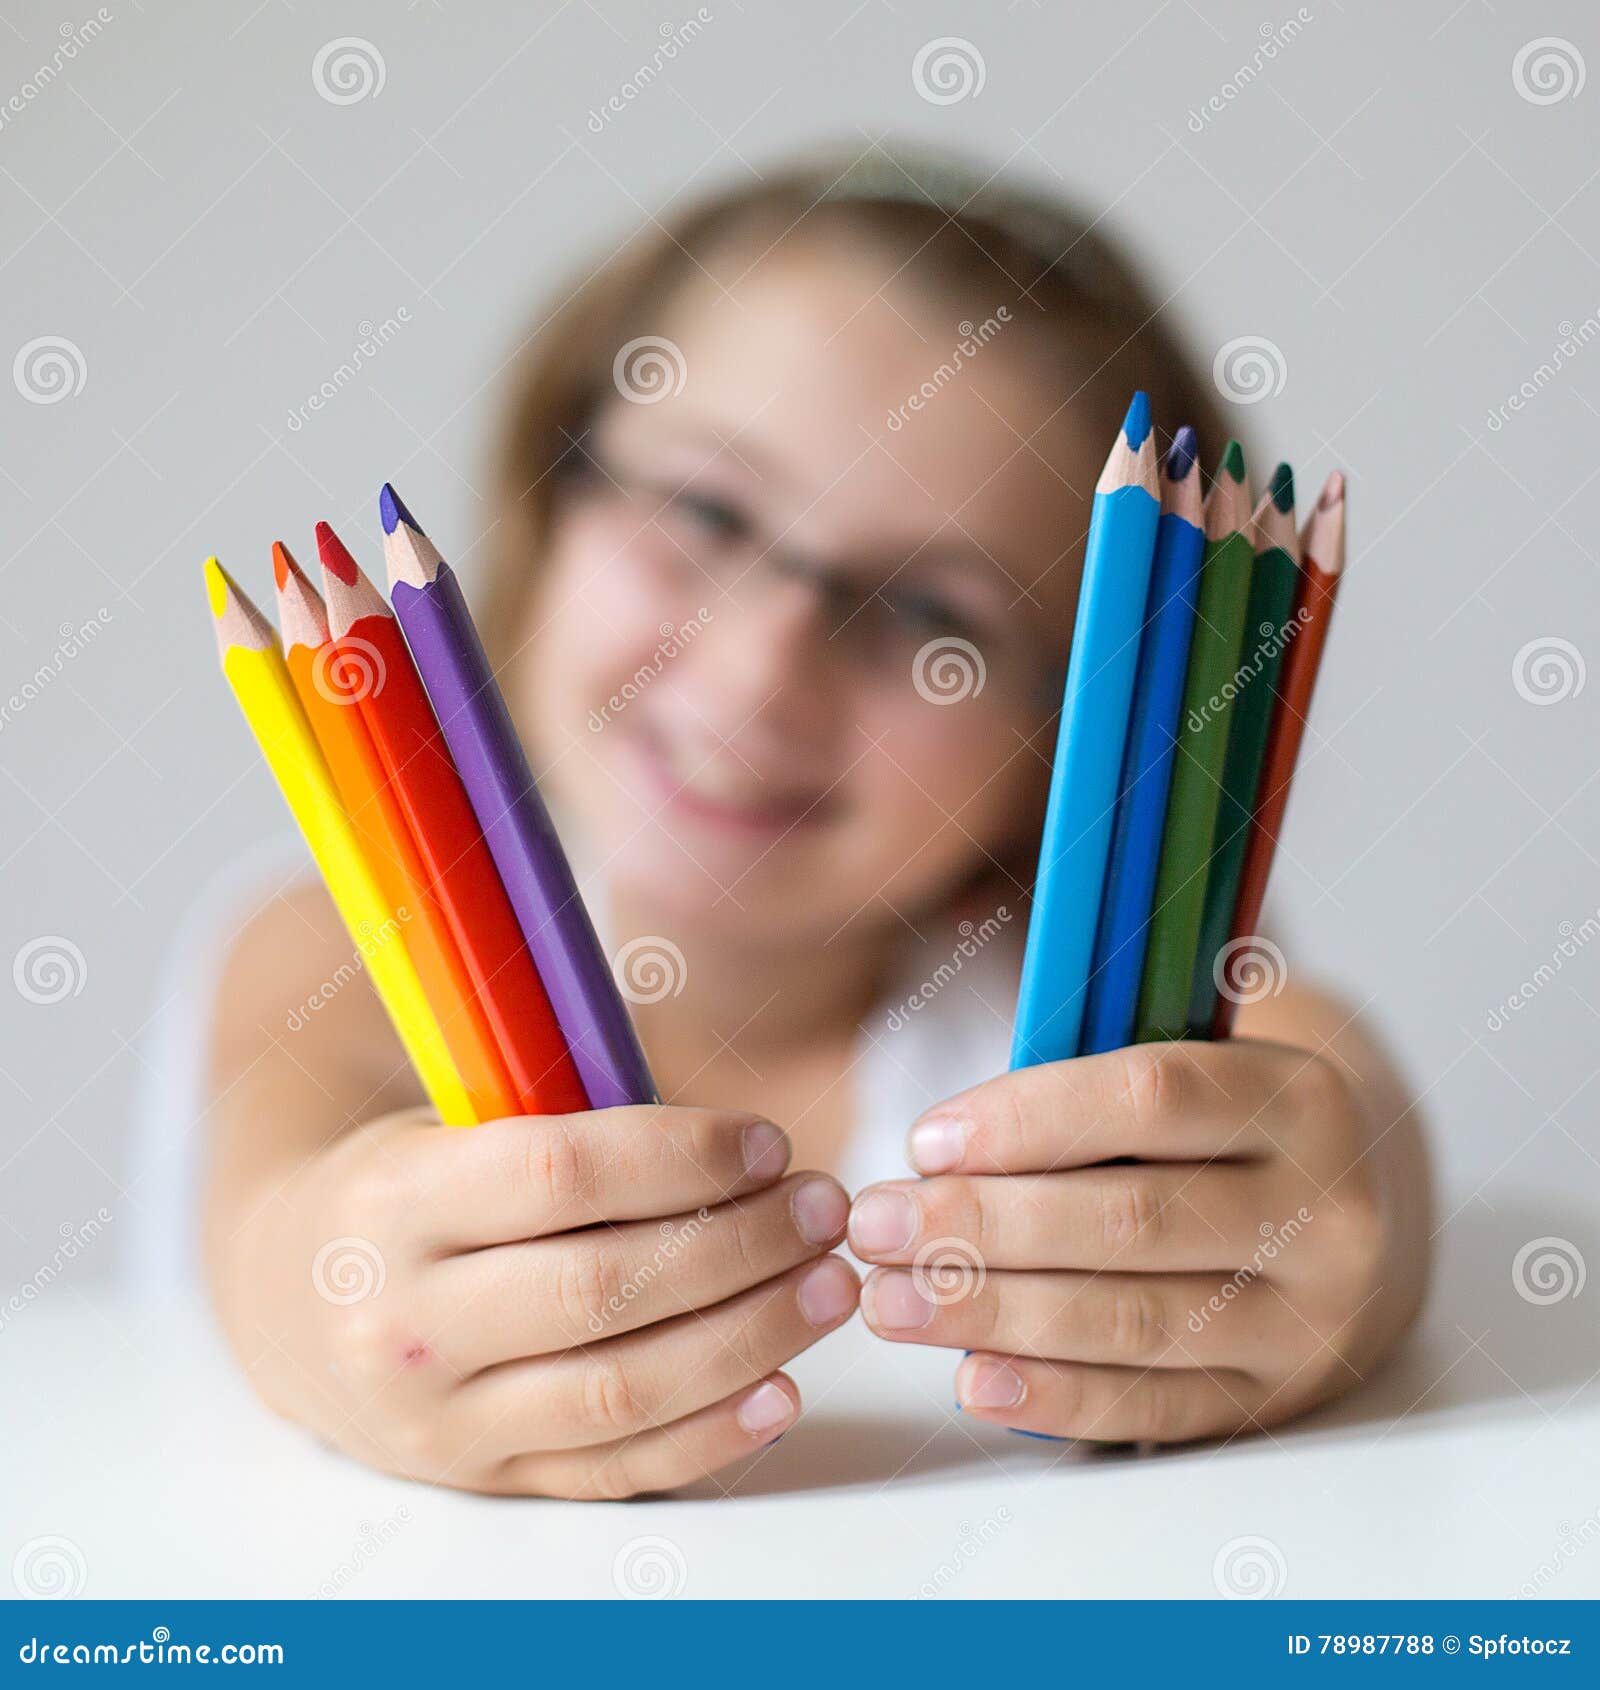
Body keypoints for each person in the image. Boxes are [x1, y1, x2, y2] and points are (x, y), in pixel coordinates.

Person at [197, 150, 1430, 1499]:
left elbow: (1337, 1114)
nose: (758, 669)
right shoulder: (337, 932)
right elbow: (270, 1207)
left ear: (1071, 750)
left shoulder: (1092, 997)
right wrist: (318, 1304)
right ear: (548, 498)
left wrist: (1342, 1240)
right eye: (707, 510)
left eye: (930, 618)